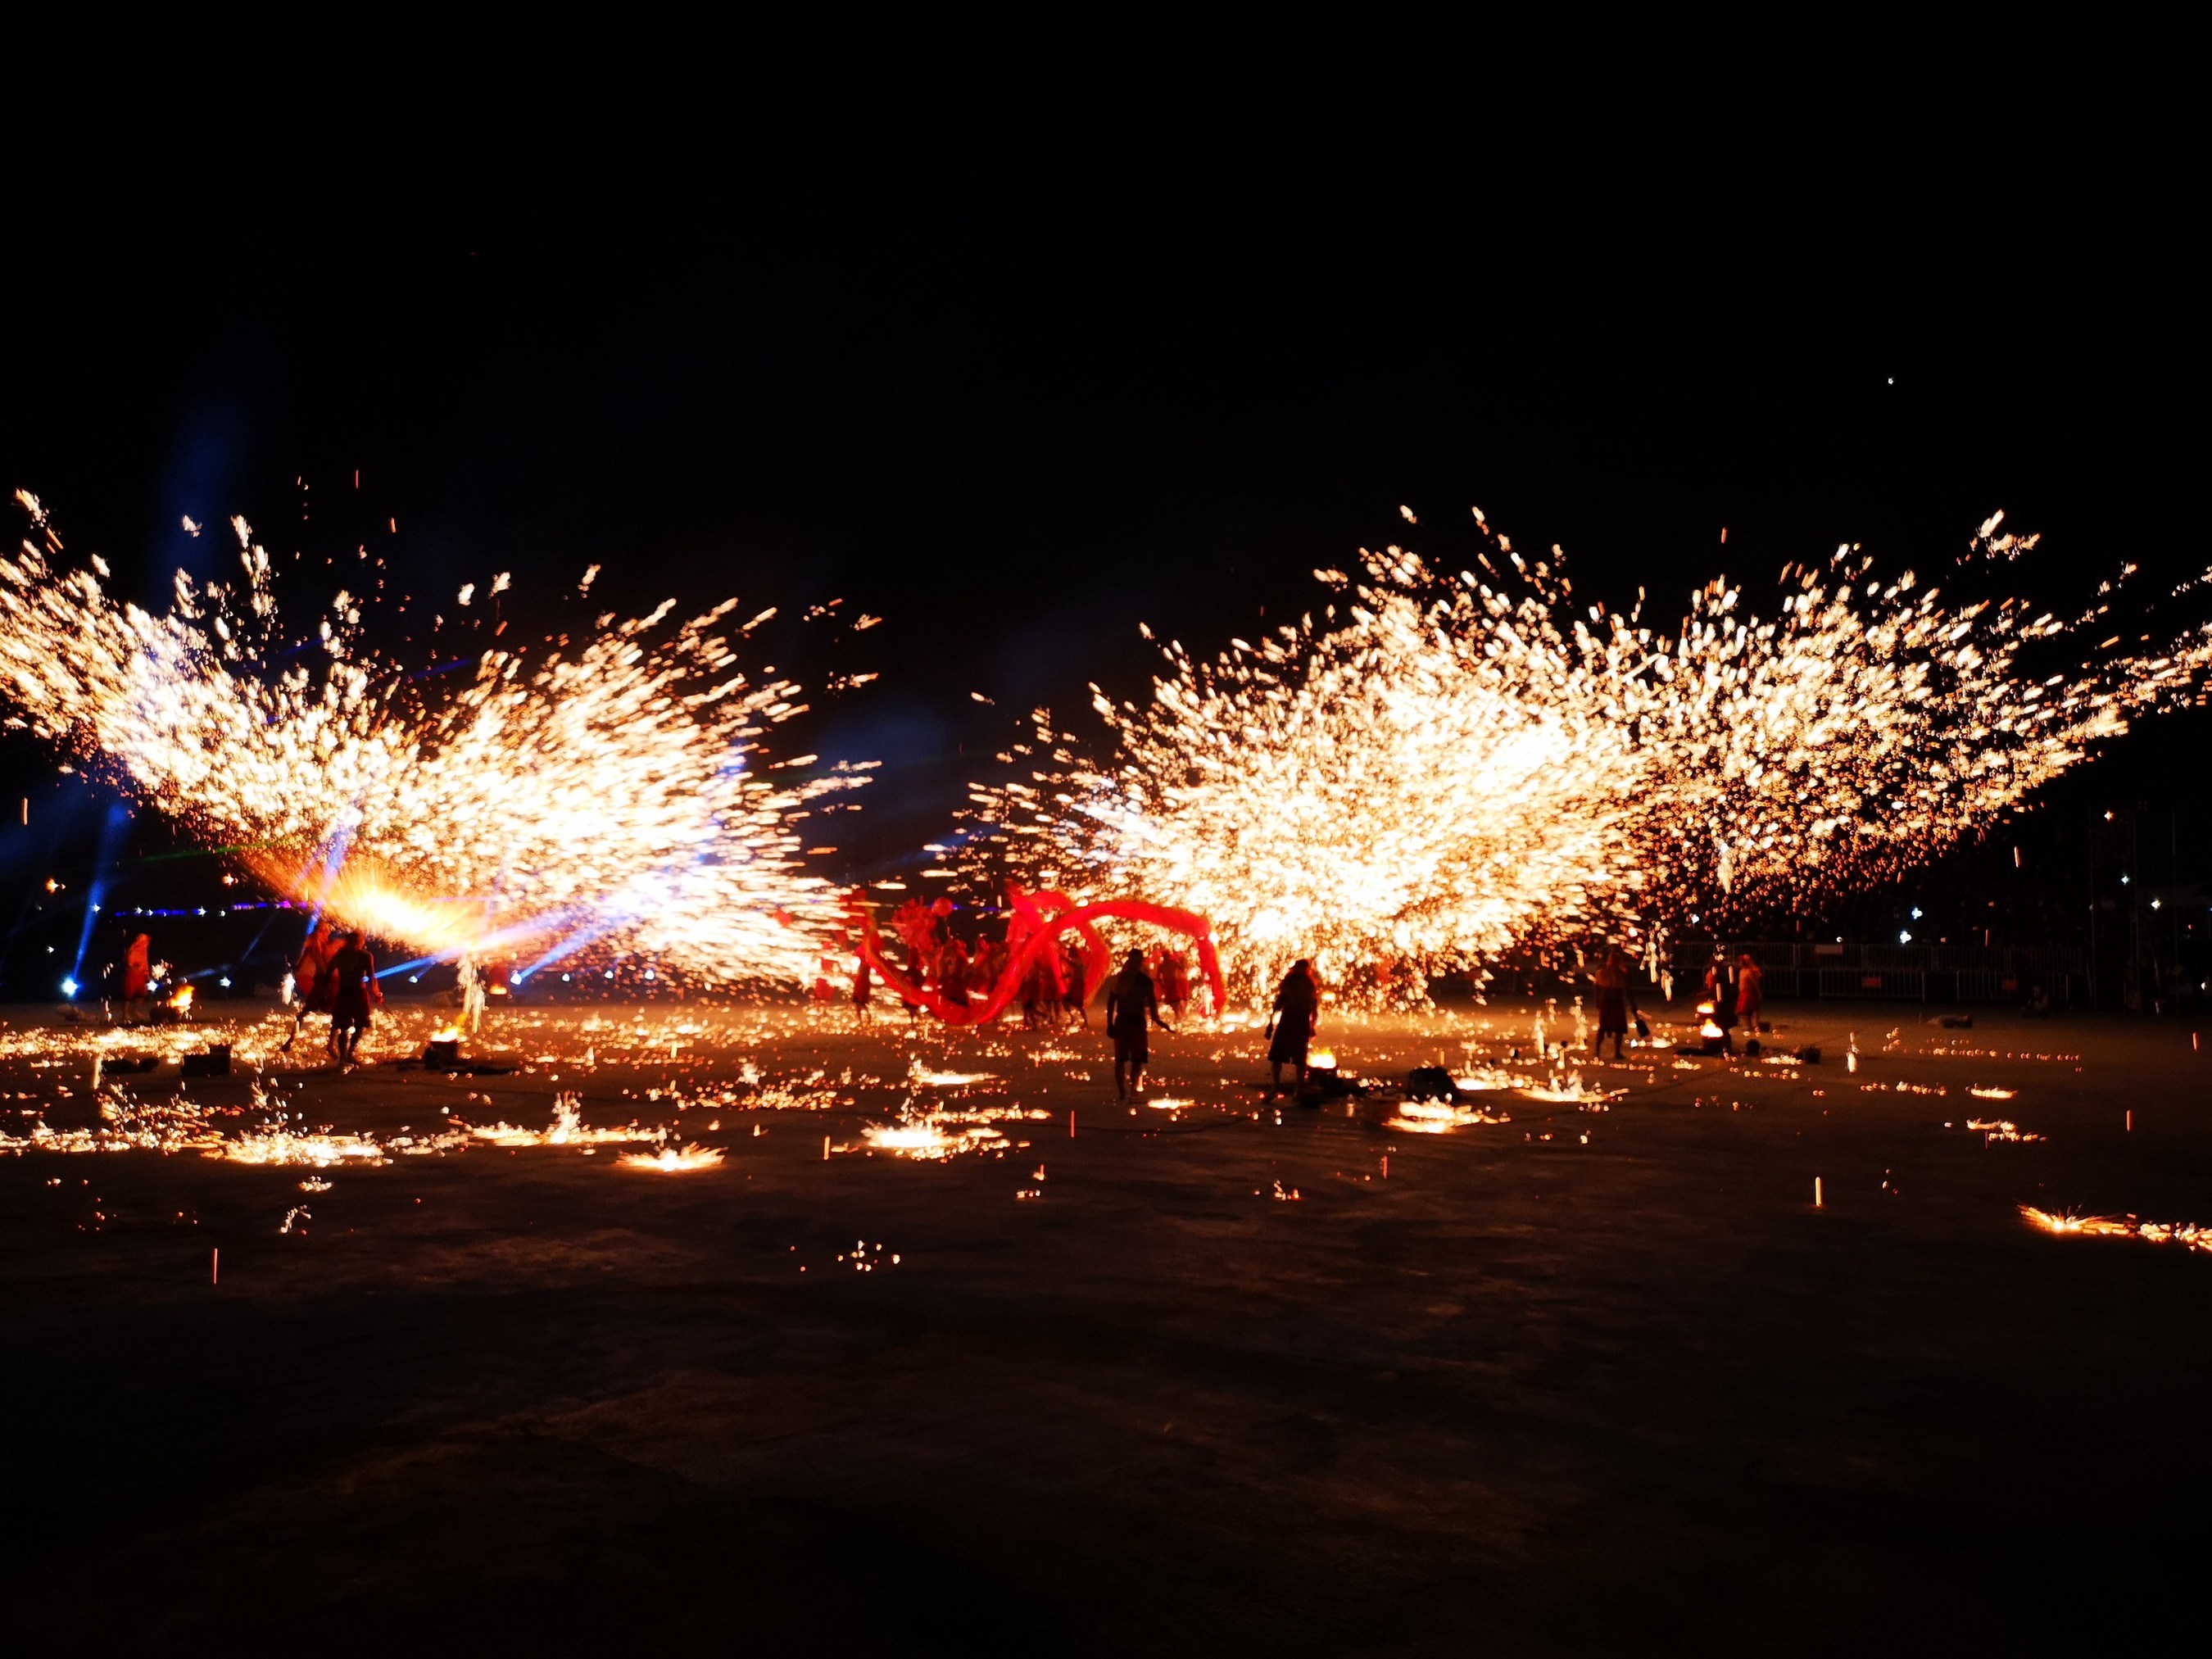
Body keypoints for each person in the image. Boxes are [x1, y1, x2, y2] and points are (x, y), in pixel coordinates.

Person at [1105, 948, 1172, 1099]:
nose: (1136, 963)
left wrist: (1158, 1020)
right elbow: (1111, 1003)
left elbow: (1152, 1003)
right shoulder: (1121, 980)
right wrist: (1110, 1024)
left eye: (1138, 960)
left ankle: (1133, 1089)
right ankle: (1122, 1091)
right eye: (1133, 960)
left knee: (1137, 1059)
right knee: (1121, 1059)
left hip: (1137, 1022)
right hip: (1123, 1021)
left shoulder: (1145, 981)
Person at [1266, 959, 1321, 1095]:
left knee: (1299, 1058)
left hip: (1299, 1021)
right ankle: (1278, 1087)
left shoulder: (1308, 985)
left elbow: (1314, 1008)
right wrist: (1270, 1023)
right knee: (1279, 1056)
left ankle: (1297, 1088)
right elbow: (1280, 1002)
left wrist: (1312, 1026)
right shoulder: (1292, 982)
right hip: (1290, 1020)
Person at [281, 921, 336, 1053]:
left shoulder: (317, 944)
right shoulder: (316, 945)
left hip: (319, 981)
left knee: (306, 1012)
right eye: (326, 931)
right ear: (322, 932)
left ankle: (290, 1041)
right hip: (320, 982)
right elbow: (321, 966)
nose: (328, 934)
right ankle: (330, 1045)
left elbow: (302, 960)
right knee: (335, 1012)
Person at [326, 931, 379, 1064]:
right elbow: (372, 977)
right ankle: (349, 1054)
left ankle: (344, 1057)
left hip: (343, 992)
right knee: (361, 1024)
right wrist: (377, 993)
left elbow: (328, 974)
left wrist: (326, 991)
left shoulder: (340, 955)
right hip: (358, 993)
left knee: (343, 1026)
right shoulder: (365, 955)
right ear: (360, 941)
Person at [1592, 945, 1635, 1061]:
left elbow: (1627, 990)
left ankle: (1605, 1052)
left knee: (1617, 1029)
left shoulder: (1620, 974)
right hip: (1610, 1002)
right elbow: (1597, 988)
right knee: (1608, 1028)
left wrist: (1598, 1001)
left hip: (1613, 1002)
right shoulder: (1604, 973)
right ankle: (1601, 1052)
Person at [1702, 953, 1738, 1054]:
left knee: (1723, 1027)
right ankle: (1726, 1048)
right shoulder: (1720, 977)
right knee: (1723, 1027)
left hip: (1723, 1004)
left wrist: (1717, 1005)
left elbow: (1718, 994)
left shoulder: (1719, 978)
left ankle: (1727, 1048)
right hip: (1724, 1003)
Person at [118, 931, 152, 1025]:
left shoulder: (144, 951)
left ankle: (134, 1011)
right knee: (128, 995)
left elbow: (145, 964)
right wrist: (133, 966)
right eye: (145, 941)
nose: (147, 943)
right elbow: (129, 962)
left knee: (142, 994)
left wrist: (147, 974)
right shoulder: (133, 950)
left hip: (140, 975)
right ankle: (125, 1014)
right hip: (131, 975)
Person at [1735, 953, 1765, 1034]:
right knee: (1742, 1011)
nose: (1739, 963)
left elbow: (1755, 983)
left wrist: (1759, 992)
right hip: (1743, 993)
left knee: (1753, 1010)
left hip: (1750, 993)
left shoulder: (1749, 972)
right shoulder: (1741, 971)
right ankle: (1748, 1026)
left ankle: (1756, 1026)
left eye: (1740, 962)